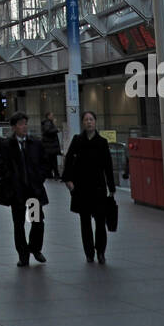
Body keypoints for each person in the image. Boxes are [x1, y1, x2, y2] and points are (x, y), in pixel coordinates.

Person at [0, 113, 49, 266]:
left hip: (33, 190)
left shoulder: (35, 144)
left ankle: (35, 248)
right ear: (13, 127)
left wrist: (39, 178)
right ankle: (23, 254)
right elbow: (0, 165)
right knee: (19, 224)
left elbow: (45, 163)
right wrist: (10, 178)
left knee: (37, 221)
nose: (24, 127)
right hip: (16, 191)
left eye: (25, 123)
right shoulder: (6, 145)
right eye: (20, 124)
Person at [62, 111, 115, 263]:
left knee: (100, 221)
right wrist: (68, 180)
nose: (89, 122)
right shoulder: (77, 140)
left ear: (95, 122)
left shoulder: (102, 142)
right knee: (85, 222)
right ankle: (89, 252)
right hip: (81, 188)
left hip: (98, 187)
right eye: (86, 120)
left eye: (91, 119)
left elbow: (108, 166)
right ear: (83, 123)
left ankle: (101, 252)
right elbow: (69, 160)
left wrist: (111, 187)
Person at [41, 111, 61, 179]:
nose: (53, 117)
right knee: (53, 161)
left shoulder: (48, 122)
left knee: (50, 161)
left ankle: (50, 174)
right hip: (50, 146)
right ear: (48, 116)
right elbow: (48, 131)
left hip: (50, 146)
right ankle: (55, 174)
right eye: (52, 115)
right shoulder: (48, 122)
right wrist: (56, 129)